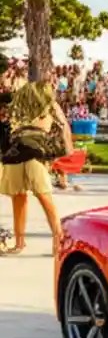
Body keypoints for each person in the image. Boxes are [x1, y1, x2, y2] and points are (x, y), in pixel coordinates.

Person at [1, 82, 71, 255]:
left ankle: (55, 241)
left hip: (24, 154)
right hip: (19, 153)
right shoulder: (22, 106)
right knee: (28, 197)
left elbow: (63, 126)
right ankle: (22, 243)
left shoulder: (48, 107)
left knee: (37, 197)